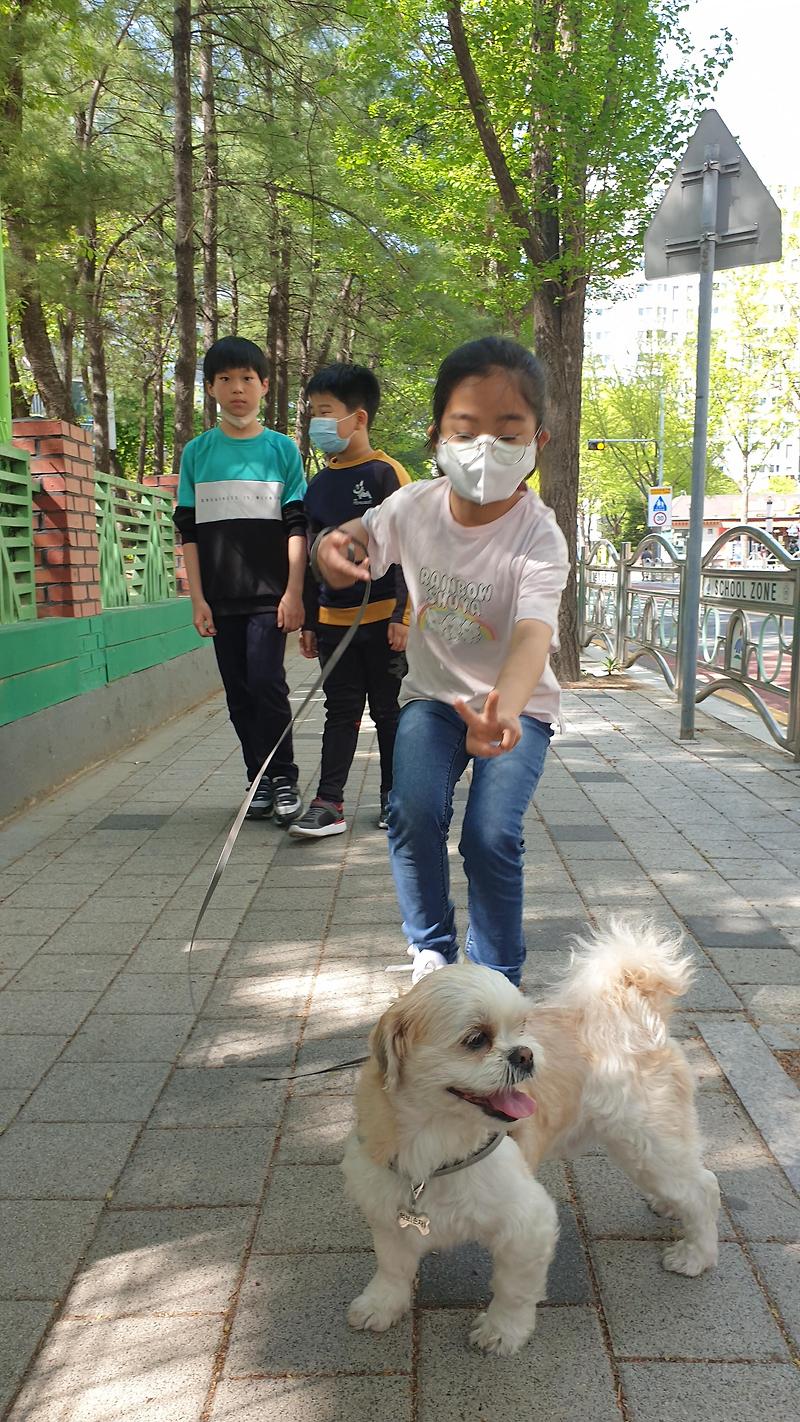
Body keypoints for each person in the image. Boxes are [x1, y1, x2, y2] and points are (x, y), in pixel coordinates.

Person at [314, 336, 569, 986]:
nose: (486, 446)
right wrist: (330, 549)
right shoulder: (412, 506)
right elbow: (351, 541)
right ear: (436, 437)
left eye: (508, 431)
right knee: (412, 810)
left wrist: (502, 711)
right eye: (467, 428)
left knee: (490, 836)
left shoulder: (540, 535)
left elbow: (533, 636)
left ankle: (497, 977)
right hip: (432, 699)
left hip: (515, 711)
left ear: (538, 442)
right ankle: (431, 953)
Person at [173, 336, 307, 826]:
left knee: (267, 682)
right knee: (237, 691)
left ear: (264, 386)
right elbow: (187, 530)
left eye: (247, 379)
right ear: (210, 388)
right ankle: (259, 781)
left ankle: (285, 778)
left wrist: (295, 592)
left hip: (271, 598)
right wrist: (197, 600)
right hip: (220, 598)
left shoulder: (282, 450)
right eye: (225, 379)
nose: (237, 389)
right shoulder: (197, 453)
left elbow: (297, 524)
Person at [290, 363, 410, 839]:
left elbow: (408, 550)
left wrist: (402, 615)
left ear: (357, 418)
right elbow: (311, 553)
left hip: (384, 621)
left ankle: (393, 798)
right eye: (313, 413)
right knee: (339, 710)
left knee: (388, 711)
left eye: (326, 413)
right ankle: (329, 802)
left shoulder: (387, 474)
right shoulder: (317, 485)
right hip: (333, 624)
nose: (317, 423)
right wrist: (311, 621)